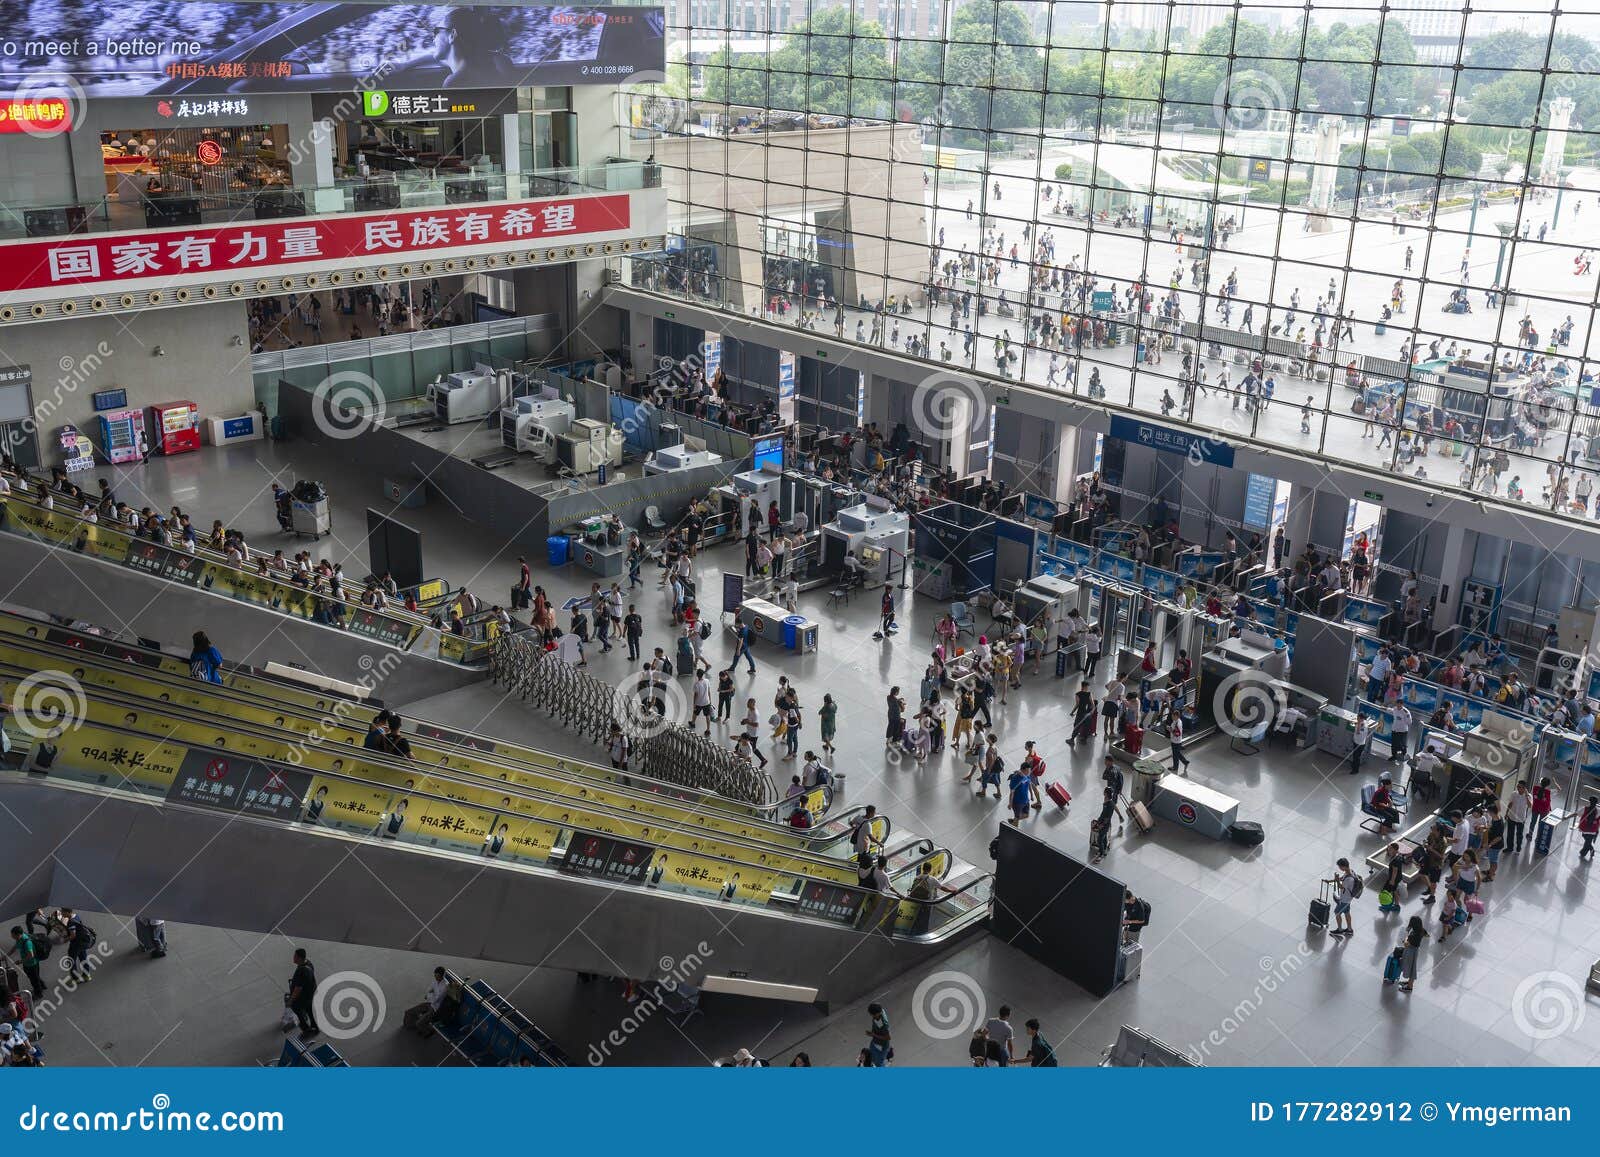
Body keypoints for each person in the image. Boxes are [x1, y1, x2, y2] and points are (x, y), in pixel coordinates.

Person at [403, 966, 452, 1037]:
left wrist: (430, 995)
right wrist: (431, 994)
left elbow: (436, 999)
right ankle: (414, 1026)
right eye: (435, 976)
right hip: (429, 1003)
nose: (435, 978)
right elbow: (429, 989)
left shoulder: (445, 986)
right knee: (408, 1012)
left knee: (419, 1023)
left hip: (435, 1008)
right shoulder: (435, 980)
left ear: (442, 976)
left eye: (437, 976)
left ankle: (428, 1031)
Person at [287, 947, 318, 1035]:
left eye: (295, 956)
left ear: (300, 958)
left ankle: (306, 1029)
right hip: (310, 993)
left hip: (302, 997)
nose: (293, 958)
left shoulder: (301, 971)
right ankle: (314, 1027)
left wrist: (291, 1000)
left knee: (297, 1010)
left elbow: (298, 989)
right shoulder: (309, 963)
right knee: (309, 1009)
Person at [1323, 858, 1357, 937]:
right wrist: (1330, 881)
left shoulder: (1349, 879)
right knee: (1347, 913)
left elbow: (1341, 887)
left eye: (1340, 867)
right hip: (1348, 899)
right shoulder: (1350, 872)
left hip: (1344, 900)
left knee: (1337, 912)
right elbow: (1341, 879)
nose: (1339, 868)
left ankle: (1340, 930)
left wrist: (1337, 880)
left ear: (1344, 866)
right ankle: (1349, 929)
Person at [9, 927, 43, 997]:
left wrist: (20, 961)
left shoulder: (27, 942)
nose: (11, 936)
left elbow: (31, 955)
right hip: (27, 963)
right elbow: (15, 947)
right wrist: (7, 955)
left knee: (34, 980)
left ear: (18, 934)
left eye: (12, 935)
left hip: (32, 964)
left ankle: (38, 994)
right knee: (35, 977)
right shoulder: (19, 939)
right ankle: (42, 986)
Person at [1399, 915, 1425, 992]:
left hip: (1411, 951)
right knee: (1412, 967)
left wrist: (1406, 938)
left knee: (1412, 968)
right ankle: (1409, 982)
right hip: (1414, 951)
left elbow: (1407, 944)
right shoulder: (1421, 930)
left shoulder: (1414, 934)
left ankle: (1409, 987)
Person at [1506, 780, 1532, 854]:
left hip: (1521, 818)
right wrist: (1506, 813)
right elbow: (1510, 803)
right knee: (1510, 833)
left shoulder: (1529, 796)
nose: (1518, 788)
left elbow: (1530, 806)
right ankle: (1509, 848)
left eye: (1520, 787)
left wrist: (1526, 795)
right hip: (1512, 817)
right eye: (1518, 786)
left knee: (1519, 834)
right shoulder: (1514, 794)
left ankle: (1518, 848)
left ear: (1524, 788)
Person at [1579, 796, 1600, 860]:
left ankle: (1583, 852)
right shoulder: (1598, 810)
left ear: (1589, 801)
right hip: (1593, 828)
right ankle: (1591, 849)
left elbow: (1576, 814)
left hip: (1587, 828)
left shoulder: (1586, 808)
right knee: (1587, 840)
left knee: (1587, 840)